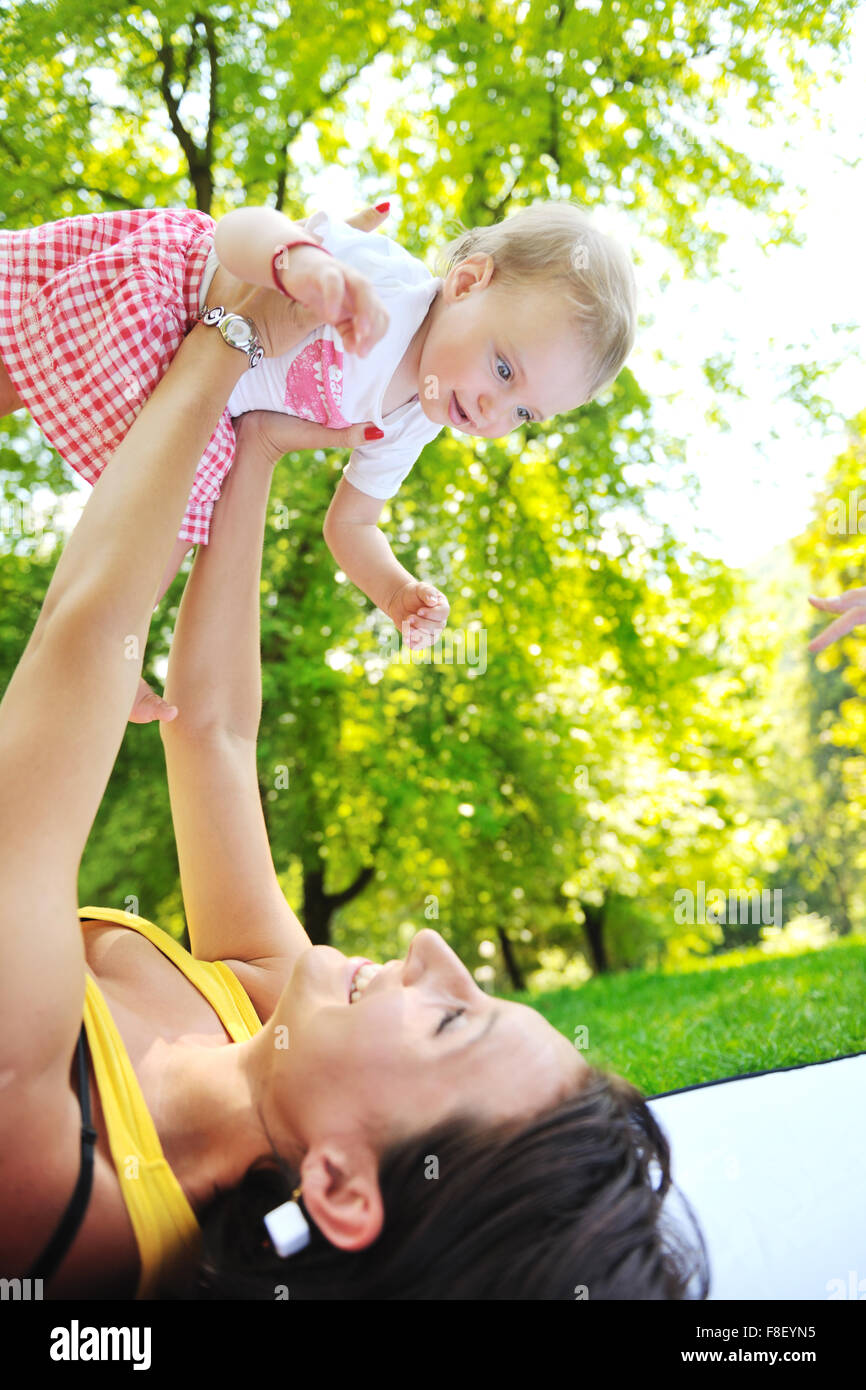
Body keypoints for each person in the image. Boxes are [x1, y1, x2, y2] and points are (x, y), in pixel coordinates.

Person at [0, 206, 703, 1302]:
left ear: (341, 1187)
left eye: (451, 1016)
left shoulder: (57, 1189)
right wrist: (262, 448)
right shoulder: (273, 1011)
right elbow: (216, 736)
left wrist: (227, 338)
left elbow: (85, 639)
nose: (428, 947)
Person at [0, 192, 637, 719]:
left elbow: (352, 523)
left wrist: (394, 592)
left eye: (525, 413)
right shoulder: (380, 281)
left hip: (201, 402)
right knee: (18, 332)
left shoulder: (413, 421)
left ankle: (117, 648)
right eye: (503, 368)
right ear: (468, 283)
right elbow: (238, 230)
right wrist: (296, 261)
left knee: (172, 522)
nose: (496, 412)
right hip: (169, 299)